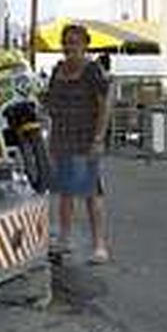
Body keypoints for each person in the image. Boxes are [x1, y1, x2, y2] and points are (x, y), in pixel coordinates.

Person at [44, 23, 111, 263]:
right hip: (61, 138)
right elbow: (50, 103)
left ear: (85, 45)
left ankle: (99, 246)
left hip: (86, 139)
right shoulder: (57, 70)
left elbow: (104, 105)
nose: (70, 47)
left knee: (91, 193)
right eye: (66, 42)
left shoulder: (93, 70)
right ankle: (65, 239)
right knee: (65, 192)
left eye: (75, 42)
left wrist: (99, 139)